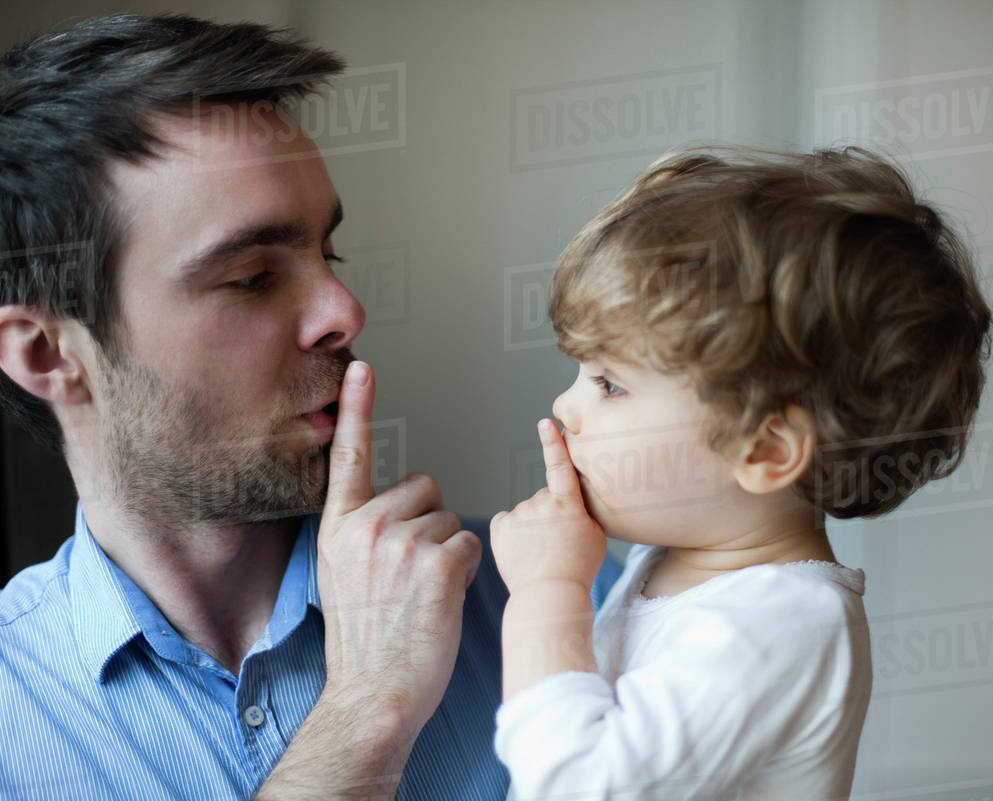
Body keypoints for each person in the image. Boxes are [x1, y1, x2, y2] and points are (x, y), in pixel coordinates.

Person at [0, 13, 618, 801]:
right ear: (48, 356)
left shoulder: (558, 592)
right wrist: (365, 713)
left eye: (328, 252)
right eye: (252, 276)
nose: (344, 308)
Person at [489, 146, 993, 799]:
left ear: (764, 451)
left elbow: (576, 784)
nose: (566, 407)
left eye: (610, 384)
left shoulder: (782, 626)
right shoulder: (681, 559)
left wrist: (546, 589)